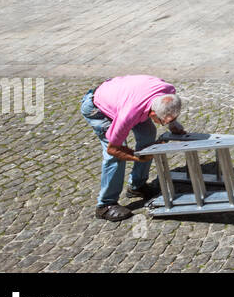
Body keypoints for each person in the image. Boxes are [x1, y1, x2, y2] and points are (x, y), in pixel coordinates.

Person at [80, 75, 187, 222]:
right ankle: (105, 205)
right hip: (97, 109)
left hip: (124, 98)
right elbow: (114, 149)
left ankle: (136, 186)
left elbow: (168, 108)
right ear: (152, 113)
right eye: (162, 121)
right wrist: (139, 157)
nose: (161, 123)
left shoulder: (169, 91)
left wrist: (173, 124)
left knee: (148, 134)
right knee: (116, 156)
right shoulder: (128, 114)